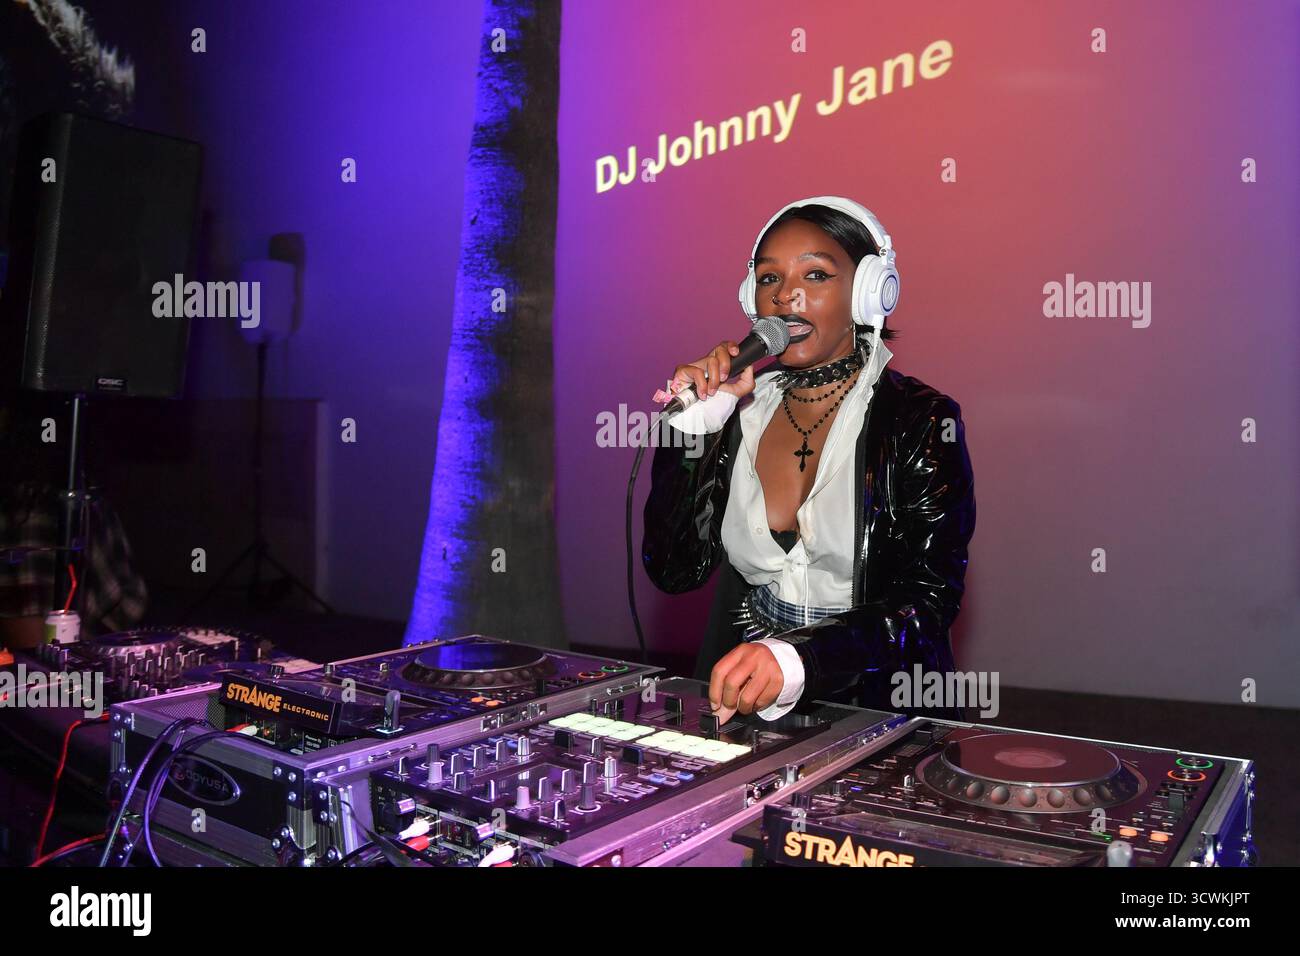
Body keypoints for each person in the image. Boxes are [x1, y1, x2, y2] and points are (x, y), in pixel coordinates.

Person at [642, 196, 975, 723]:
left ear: (868, 294)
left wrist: (799, 658)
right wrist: (694, 430)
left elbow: (928, 601)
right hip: (741, 697)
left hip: (881, 704)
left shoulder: (921, 421)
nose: (786, 296)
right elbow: (673, 570)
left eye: (815, 275)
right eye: (769, 279)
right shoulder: (737, 413)